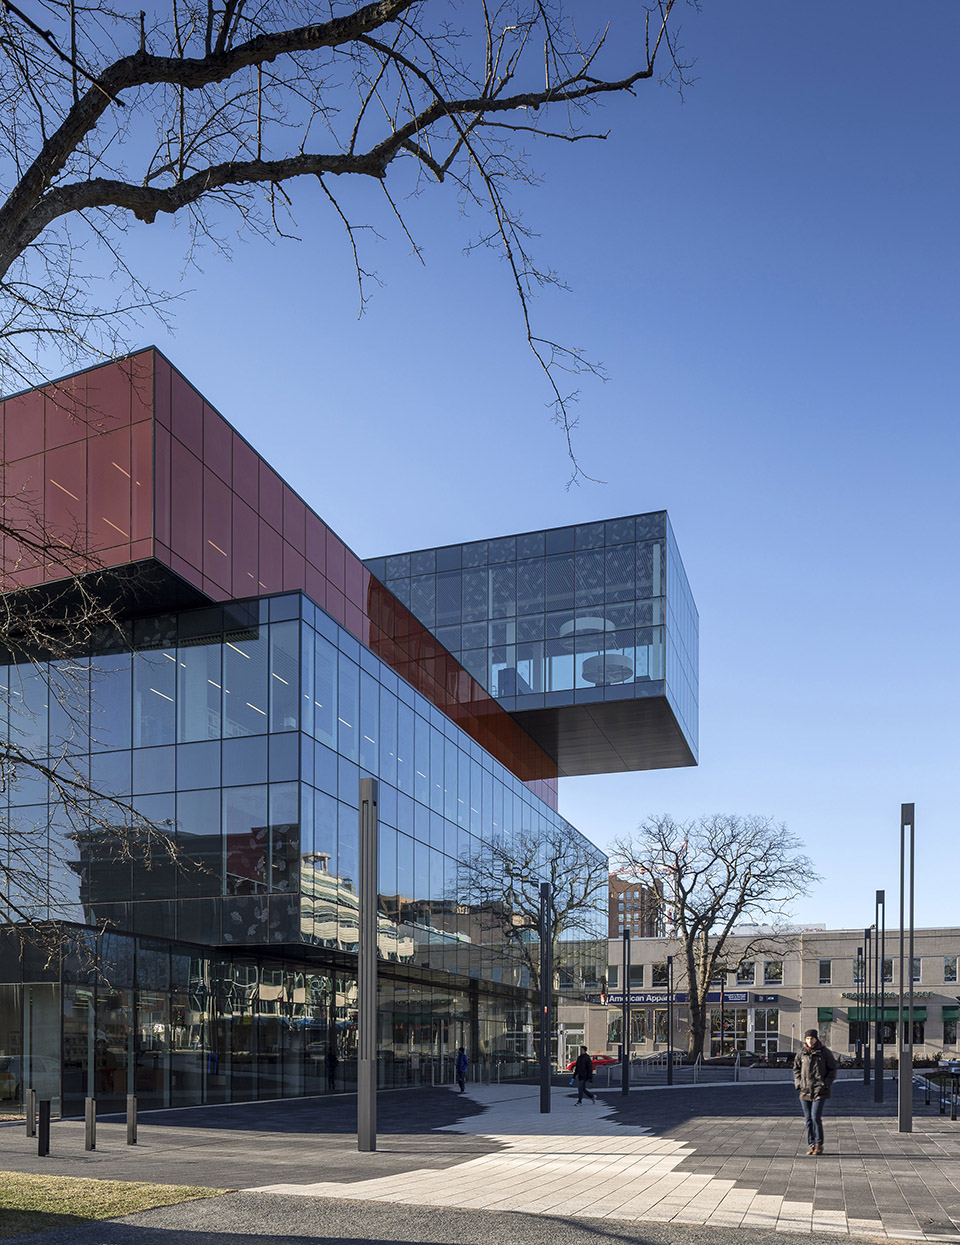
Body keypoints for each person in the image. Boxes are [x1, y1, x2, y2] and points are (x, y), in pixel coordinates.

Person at [793, 1027, 837, 1155]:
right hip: (805, 1090)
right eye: (807, 1038)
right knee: (808, 1119)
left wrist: (825, 1084)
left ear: (816, 1039)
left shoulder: (824, 1052)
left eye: (812, 1038)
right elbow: (796, 1069)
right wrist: (799, 1083)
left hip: (819, 1090)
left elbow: (832, 1070)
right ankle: (811, 1144)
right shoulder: (801, 1052)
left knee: (815, 1117)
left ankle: (819, 1144)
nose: (810, 1041)